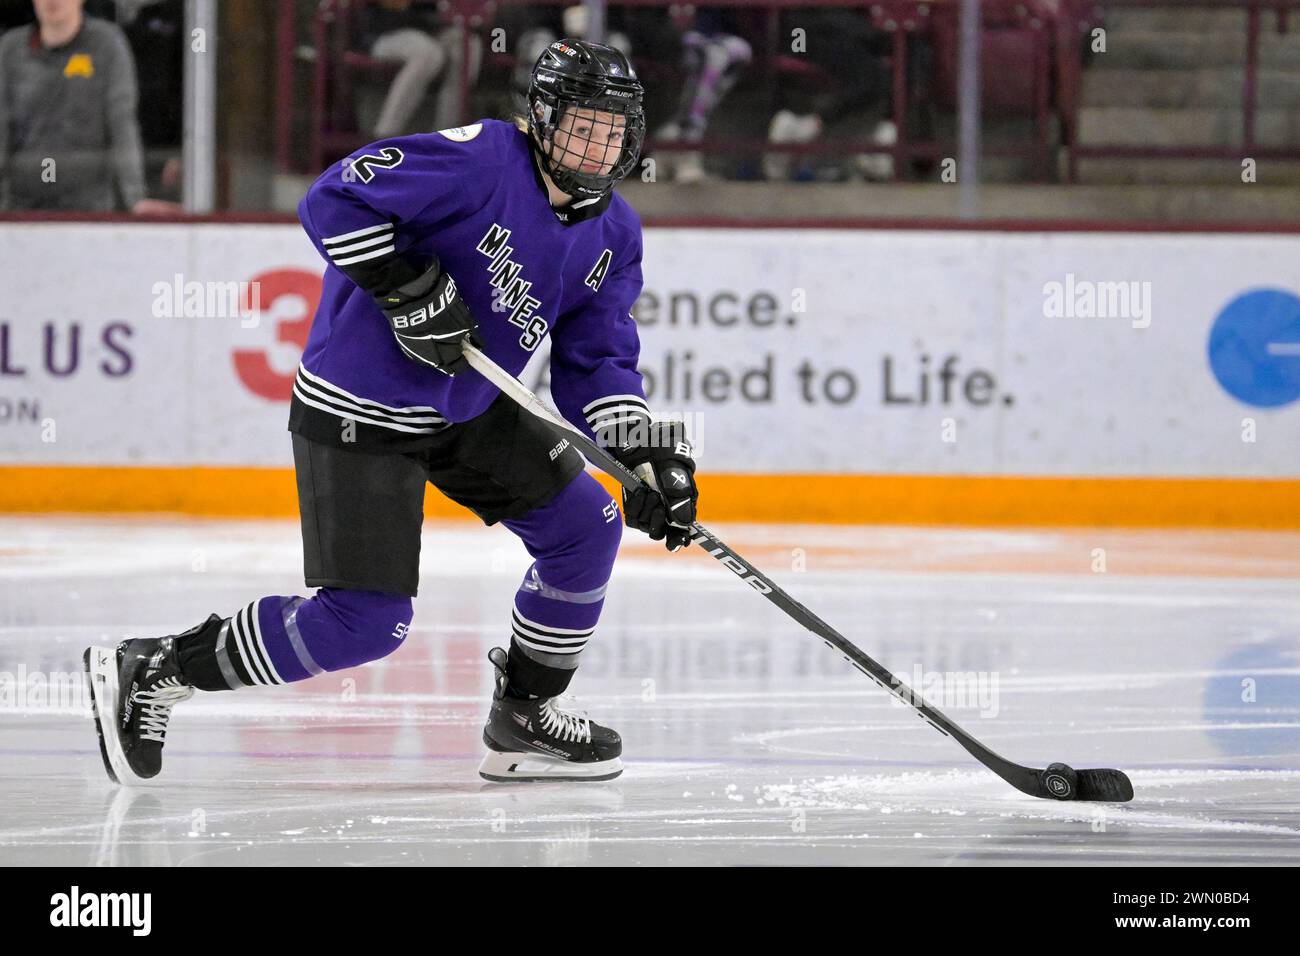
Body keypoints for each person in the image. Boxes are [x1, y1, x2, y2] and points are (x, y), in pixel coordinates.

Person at [84, 40, 700, 785]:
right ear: (540, 118)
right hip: (361, 403)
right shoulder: (480, 162)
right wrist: (407, 286)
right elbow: (332, 199)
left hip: (469, 406)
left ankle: (523, 718)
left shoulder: (615, 234)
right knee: (365, 624)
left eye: (612, 130)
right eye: (580, 125)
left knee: (586, 530)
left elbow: (596, 361)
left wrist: (641, 451)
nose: (596, 146)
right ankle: (157, 668)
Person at [0, 0, 167, 211]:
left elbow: (121, 123)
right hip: (21, 205)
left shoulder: (106, 45)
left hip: (87, 207)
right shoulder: (10, 50)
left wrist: (135, 197)